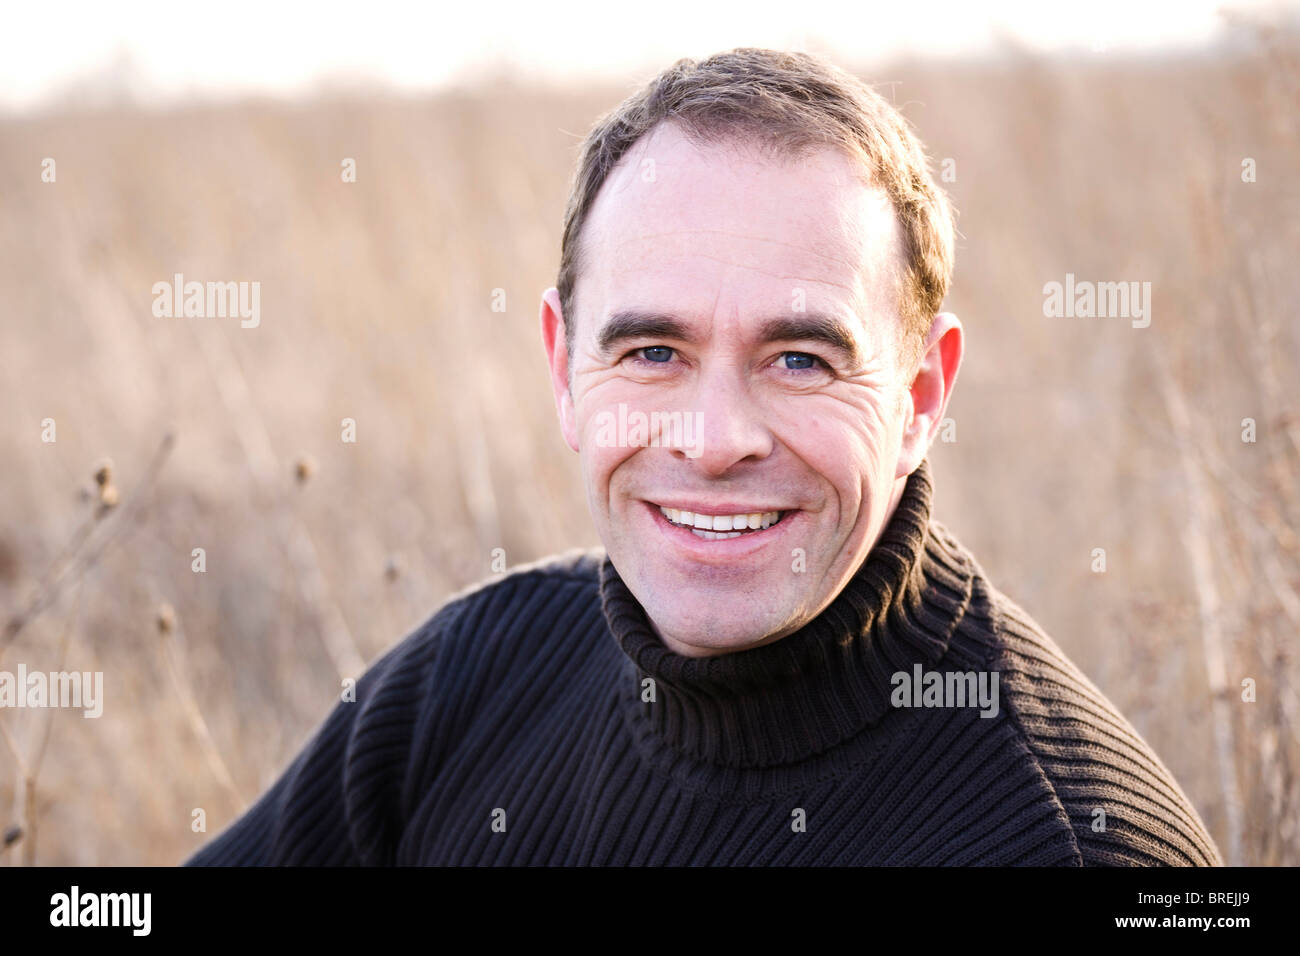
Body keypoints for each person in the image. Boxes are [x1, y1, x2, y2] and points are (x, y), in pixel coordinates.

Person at [187, 47, 1221, 866]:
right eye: (652, 351)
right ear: (563, 370)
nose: (715, 439)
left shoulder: (1063, 845)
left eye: (800, 358)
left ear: (918, 397)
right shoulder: (472, 676)